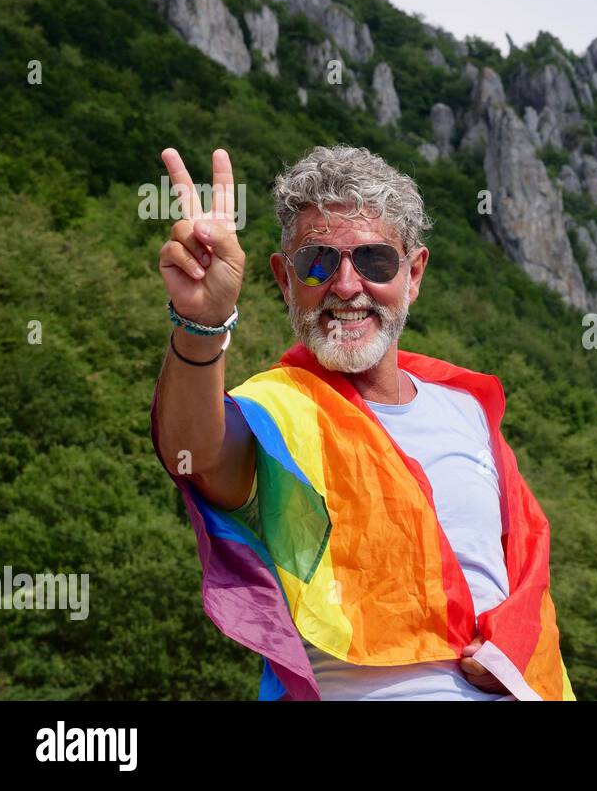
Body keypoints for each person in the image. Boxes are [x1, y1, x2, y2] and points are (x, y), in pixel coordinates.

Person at [150, 144, 573, 701]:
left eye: (374, 261)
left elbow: (525, 575)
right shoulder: (277, 408)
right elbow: (195, 457)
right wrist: (202, 325)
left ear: (414, 273)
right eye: (318, 263)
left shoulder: (469, 409)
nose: (347, 286)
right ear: (284, 279)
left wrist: (510, 654)